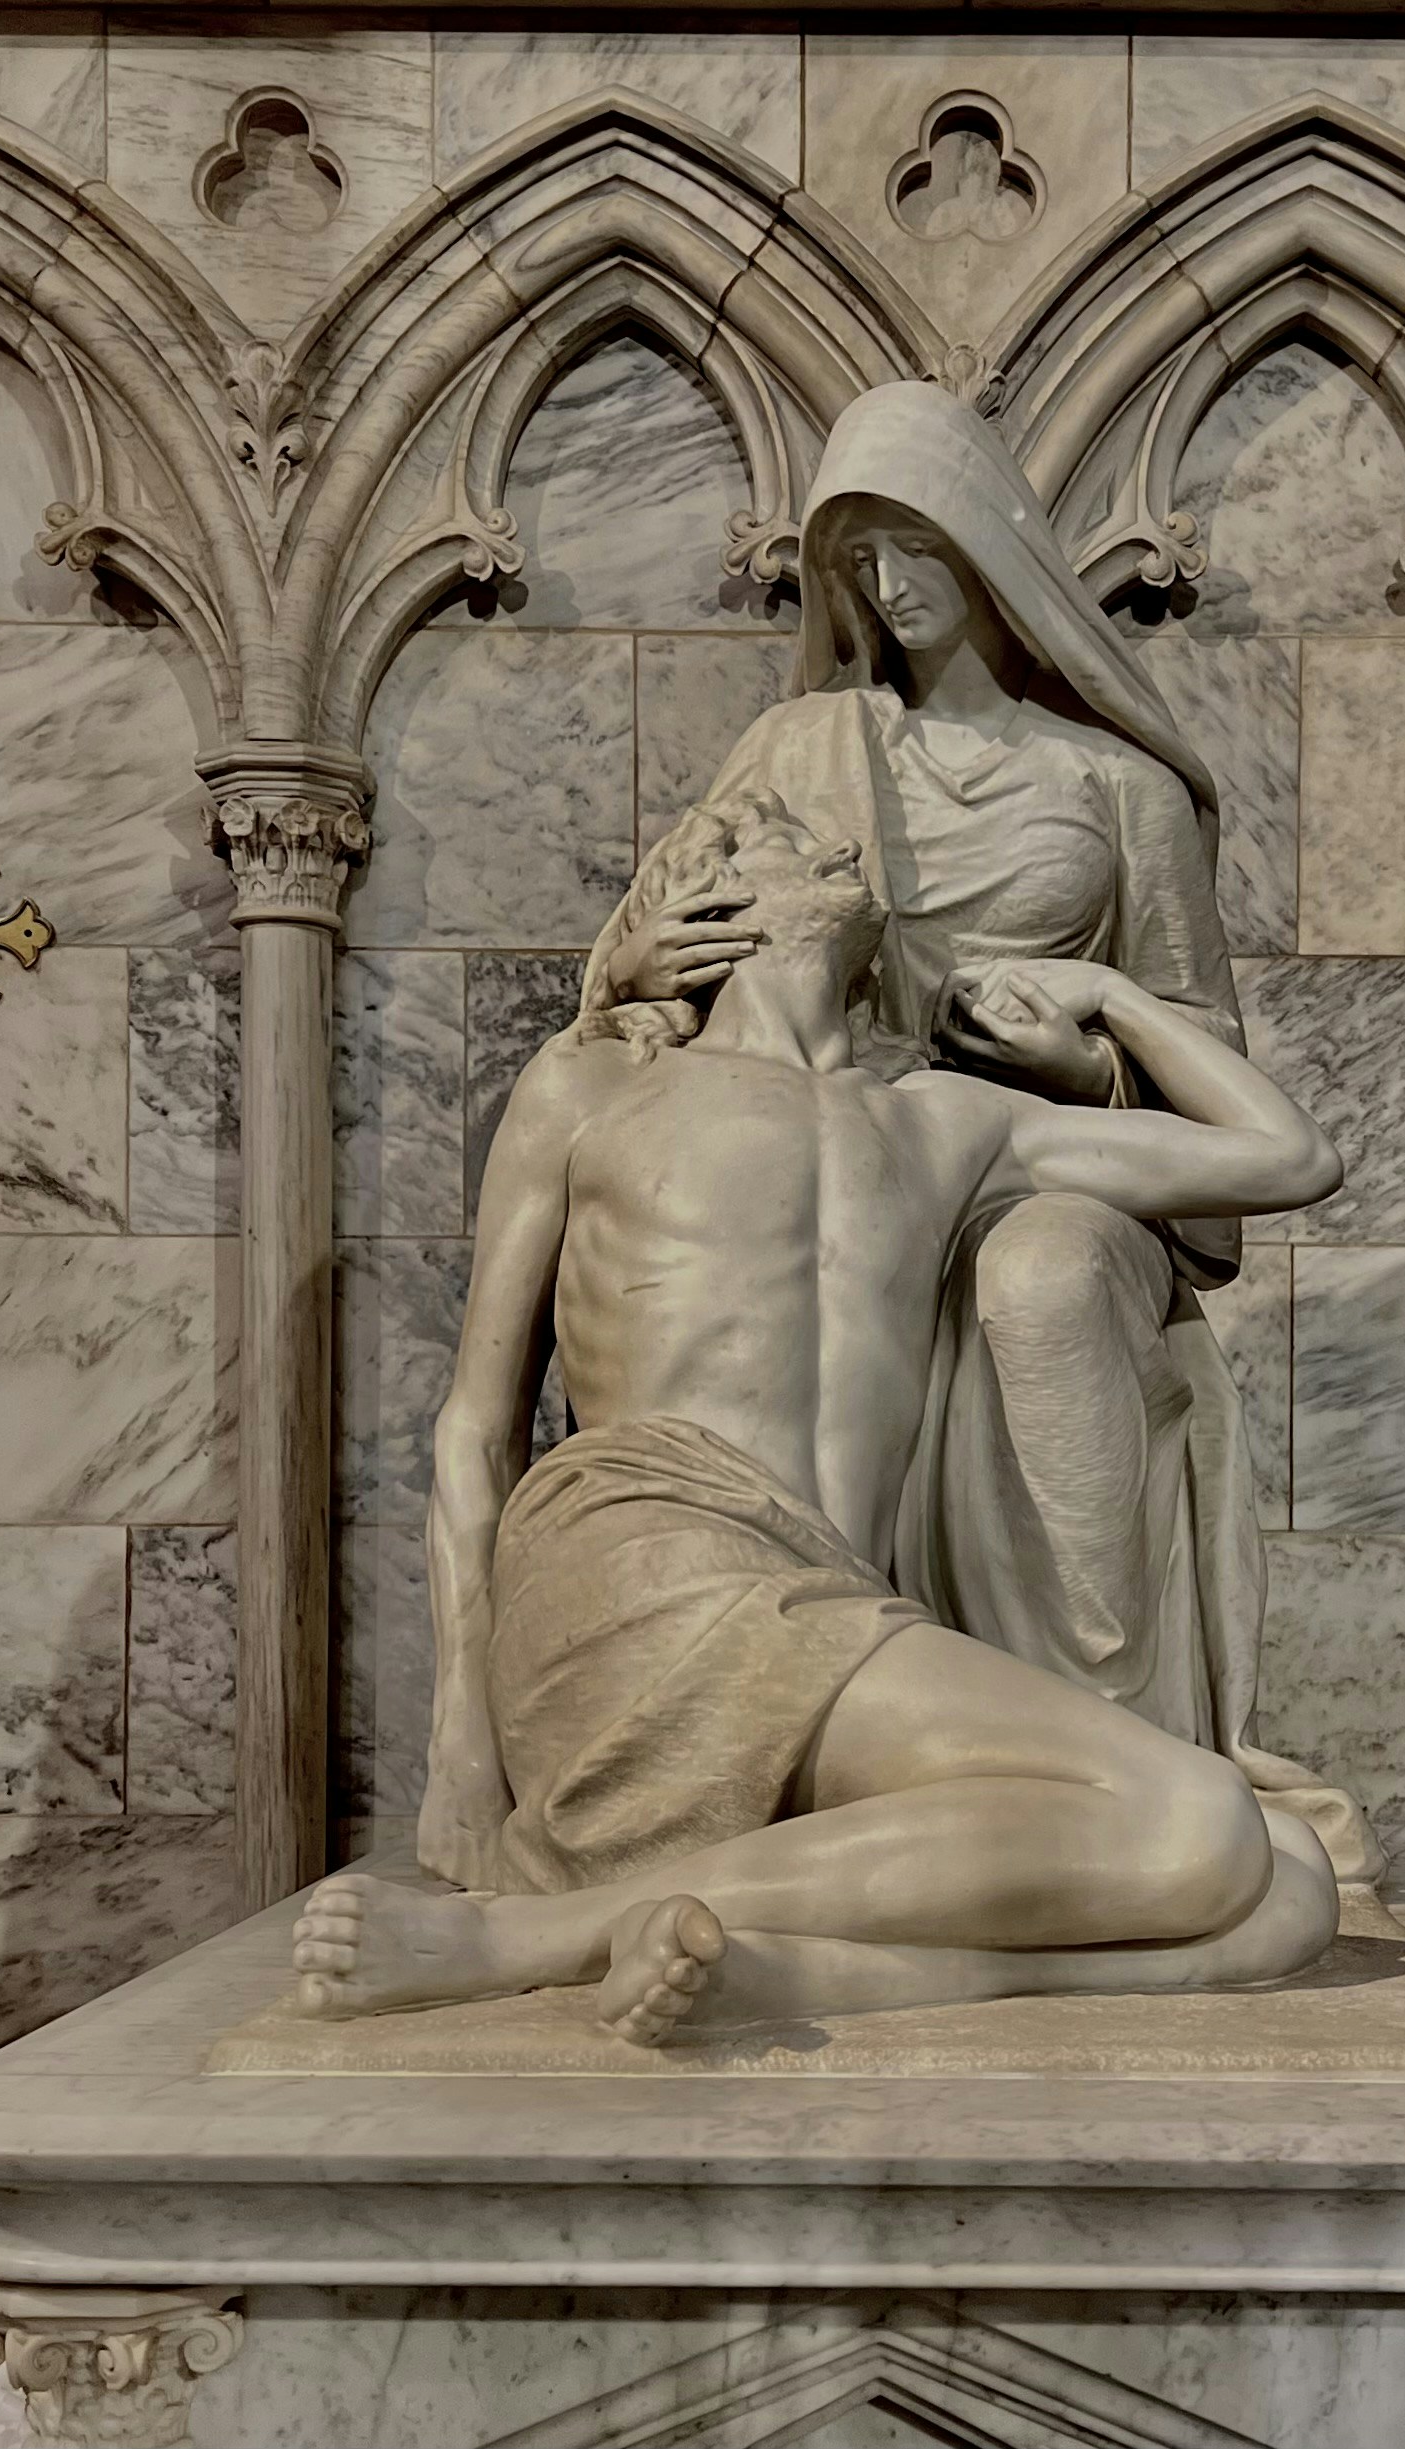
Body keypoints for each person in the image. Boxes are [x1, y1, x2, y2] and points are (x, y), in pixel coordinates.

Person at [292, 794, 1344, 2044]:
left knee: (1289, 1885)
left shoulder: (948, 1120)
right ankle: (527, 1938)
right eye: (793, 838)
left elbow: (1287, 1155)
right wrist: (460, 1743)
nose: (841, 843)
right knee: (1195, 1824)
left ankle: (787, 1972)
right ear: (711, 900)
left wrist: (1111, 995)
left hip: (831, 1609)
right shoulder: (594, 1084)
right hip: (640, 1560)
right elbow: (477, 1428)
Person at [578, 381, 1369, 1874]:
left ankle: (1107, 1755)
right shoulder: (798, 747)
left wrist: (1083, 1054)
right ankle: (796, 1727)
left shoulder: (1120, 789)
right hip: (852, 1137)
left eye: (915, 545)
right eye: (856, 559)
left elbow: (1208, 1050)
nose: (887, 585)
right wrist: (632, 971)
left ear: (988, 546)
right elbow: (656, 961)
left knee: (1040, 1277)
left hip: (1050, 1159)